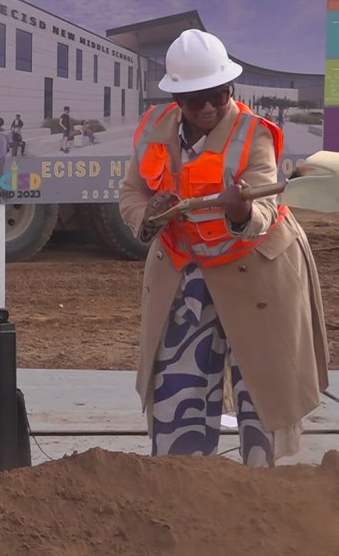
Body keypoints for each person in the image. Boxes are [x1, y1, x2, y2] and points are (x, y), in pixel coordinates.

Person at [118, 28, 328, 467]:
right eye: (198, 100)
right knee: (178, 386)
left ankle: (259, 492)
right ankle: (186, 482)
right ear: (177, 100)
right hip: (184, 269)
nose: (211, 106)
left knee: (262, 389)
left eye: (220, 93)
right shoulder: (153, 130)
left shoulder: (255, 135)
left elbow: (265, 210)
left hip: (256, 274)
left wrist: (238, 214)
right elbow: (130, 194)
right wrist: (149, 214)